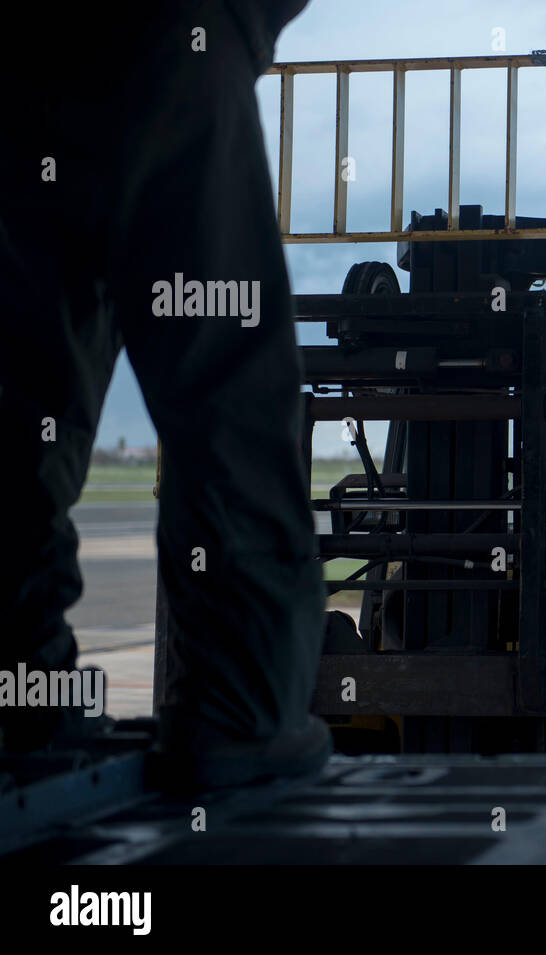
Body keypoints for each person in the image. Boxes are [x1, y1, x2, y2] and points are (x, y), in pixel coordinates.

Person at [0, 1, 329, 790]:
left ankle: (21, 699)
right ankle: (241, 710)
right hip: (163, 37)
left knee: (19, 405)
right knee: (224, 384)